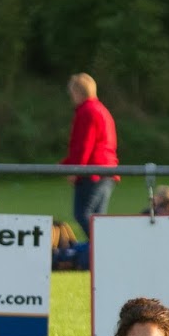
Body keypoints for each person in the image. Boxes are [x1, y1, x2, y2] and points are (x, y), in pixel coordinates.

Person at [61, 73, 119, 241]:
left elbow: (84, 144)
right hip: (107, 170)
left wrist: (75, 169)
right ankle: (99, 250)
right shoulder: (101, 110)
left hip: (93, 171)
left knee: (83, 214)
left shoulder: (86, 112)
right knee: (97, 218)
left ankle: (104, 246)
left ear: (77, 92)